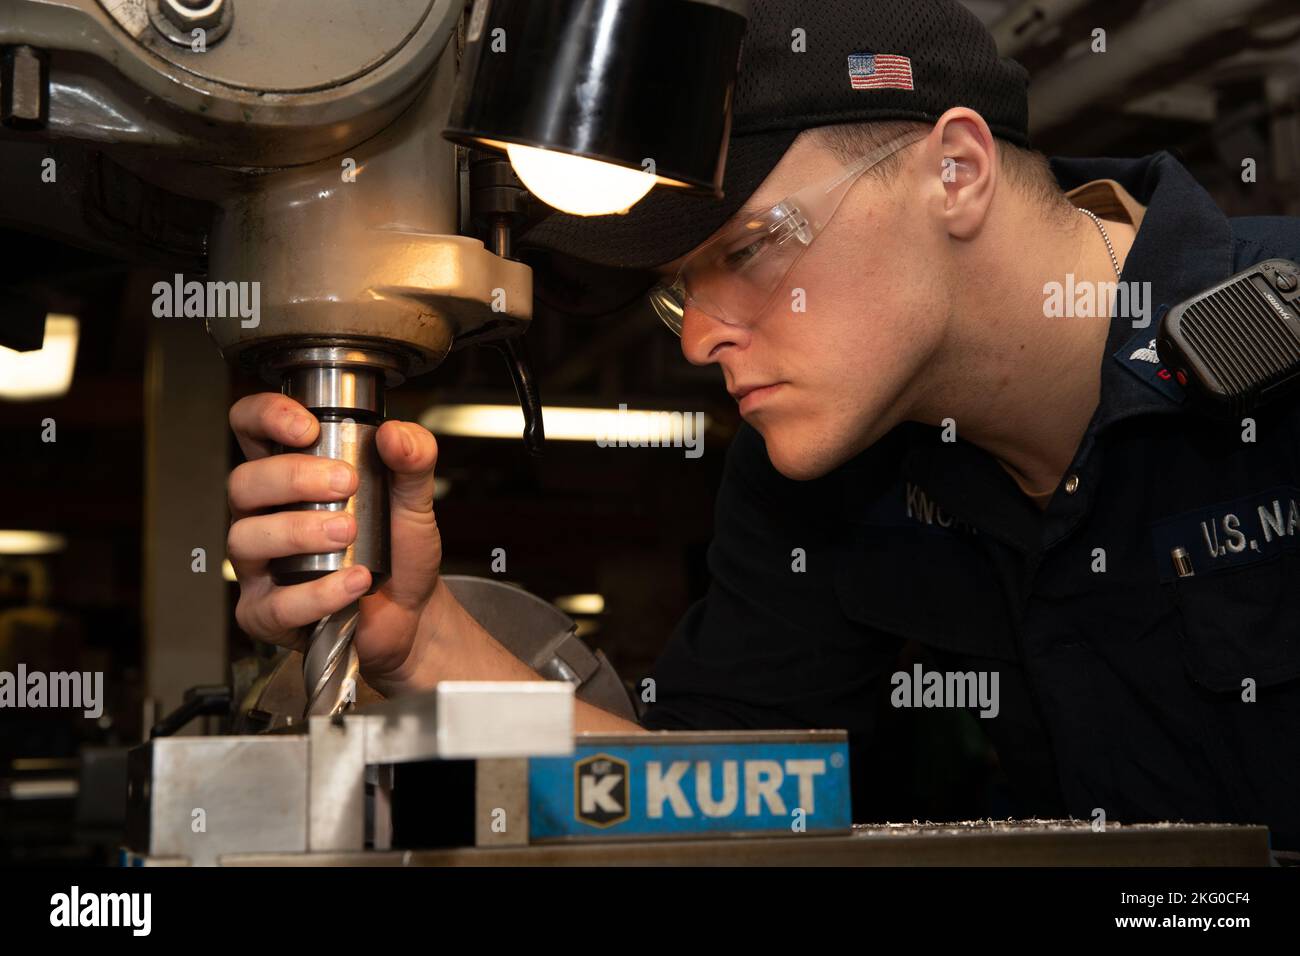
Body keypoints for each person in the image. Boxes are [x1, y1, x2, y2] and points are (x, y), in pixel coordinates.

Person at [226, 0, 1300, 843]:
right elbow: (705, 793)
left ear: (956, 170)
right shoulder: (817, 479)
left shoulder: (1281, 350)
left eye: (746, 251)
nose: (696, 339)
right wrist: (432, 651)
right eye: (678, 288)